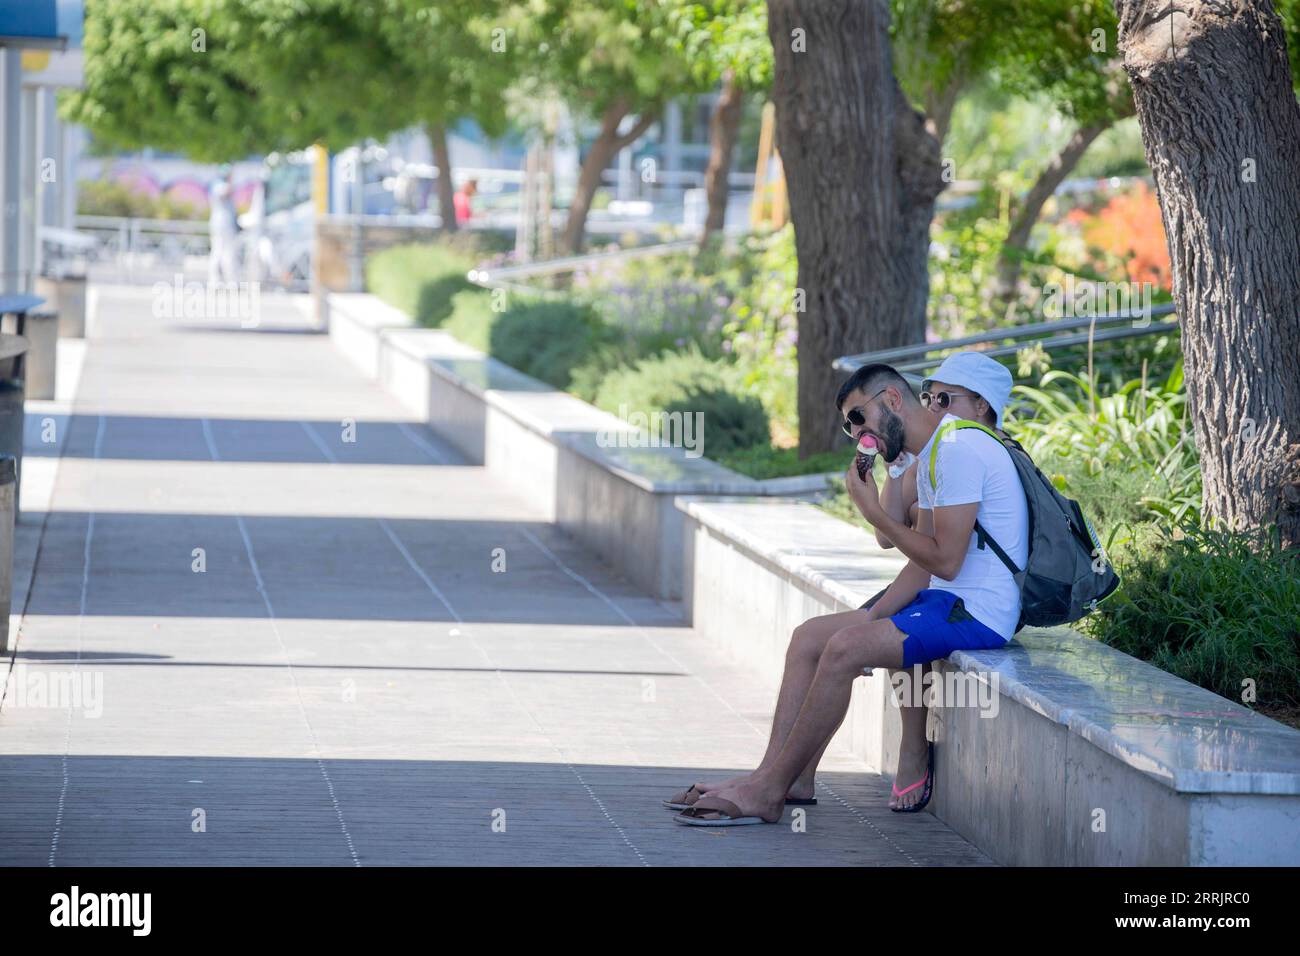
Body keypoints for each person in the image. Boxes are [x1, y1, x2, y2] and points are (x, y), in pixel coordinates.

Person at [668, 353, 1026, 825]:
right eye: (849, 427)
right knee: (810, 638)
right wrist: (873, 615)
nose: (858, 435)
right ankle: (783, 776)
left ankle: (767, 793)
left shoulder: (961, 449)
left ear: (890, 400)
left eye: (859, 418)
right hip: (944, 597)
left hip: (976, 610)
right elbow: (924, 564)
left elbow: (946, 561)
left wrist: (873, 513)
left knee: (843, 649)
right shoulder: (939, 452)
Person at [208, 166, 240, 284]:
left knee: (223, 252)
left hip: (223, 224)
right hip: (222, 224)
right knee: (223, 252)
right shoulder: (219, 185)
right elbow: (226, 192)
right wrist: (232, 178)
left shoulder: (217, 185)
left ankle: (225, 280)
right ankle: (220, 280)